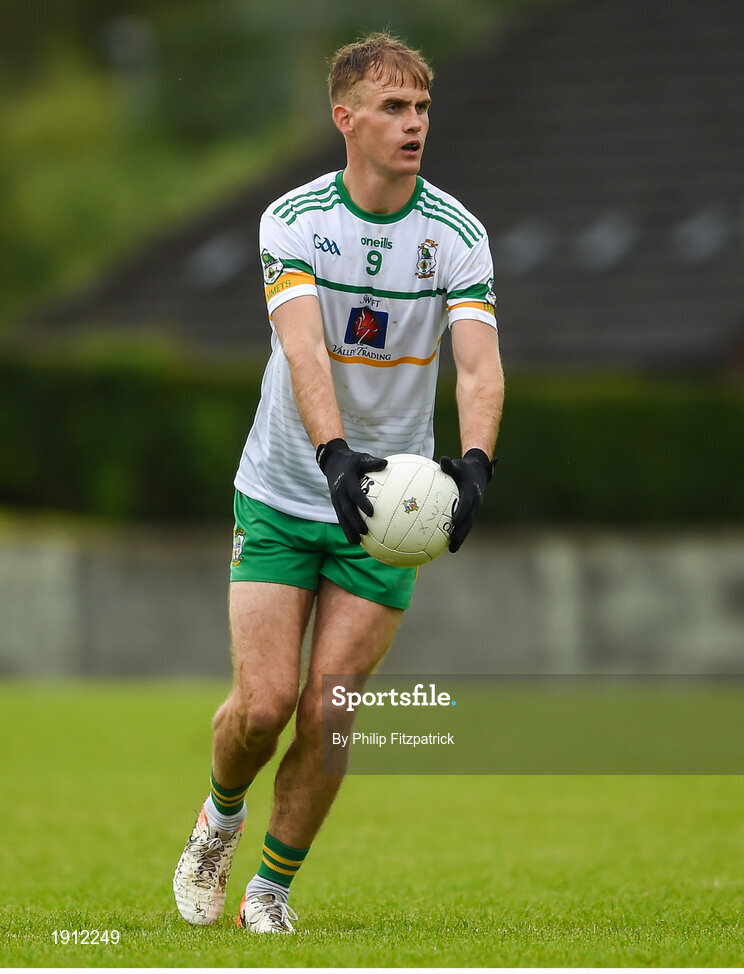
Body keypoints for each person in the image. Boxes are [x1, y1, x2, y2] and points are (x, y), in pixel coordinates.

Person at [173, 31, 504, 934]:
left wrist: (474, 466)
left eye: (422, 108)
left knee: (328, 712)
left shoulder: (457, 236)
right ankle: (218, 818)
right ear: (344, 118)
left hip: (387, 511)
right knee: (264, 706)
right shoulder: (294, 220)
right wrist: (331, 456)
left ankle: (270, 890)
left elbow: (477, 369)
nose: (413, 124)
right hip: (285, 489)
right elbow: (301, 346)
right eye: (393, 108)